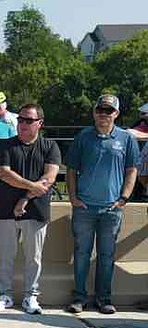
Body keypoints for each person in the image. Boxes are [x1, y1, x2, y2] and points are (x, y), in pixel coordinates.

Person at [65, 94, 140, 315]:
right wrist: (73, 197)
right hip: (84, 207)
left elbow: (132, 170)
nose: (103, 115)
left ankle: (104, 298)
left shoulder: (126, 139)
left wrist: (124, 198)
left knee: (107, 256)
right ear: (94, 112)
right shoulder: (83, 137)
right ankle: (79, 297)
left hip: (112, 209)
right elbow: (71, 169)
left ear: (116, 113)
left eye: (108, 111)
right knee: (81, 254)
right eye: (100, 110)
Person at [0, 103, 61, 314]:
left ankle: (31, 296)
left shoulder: (50, 146)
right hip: (5, 210)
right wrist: (32, 187)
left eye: (28, 120)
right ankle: (5, 295)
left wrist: (25, 199)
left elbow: (50, 178)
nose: (23, 124)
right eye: (20, 120)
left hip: (37, 211)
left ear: (40, 123)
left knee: (34, 257)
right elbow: (5, 173)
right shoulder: (6, 146)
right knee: (5, 256)